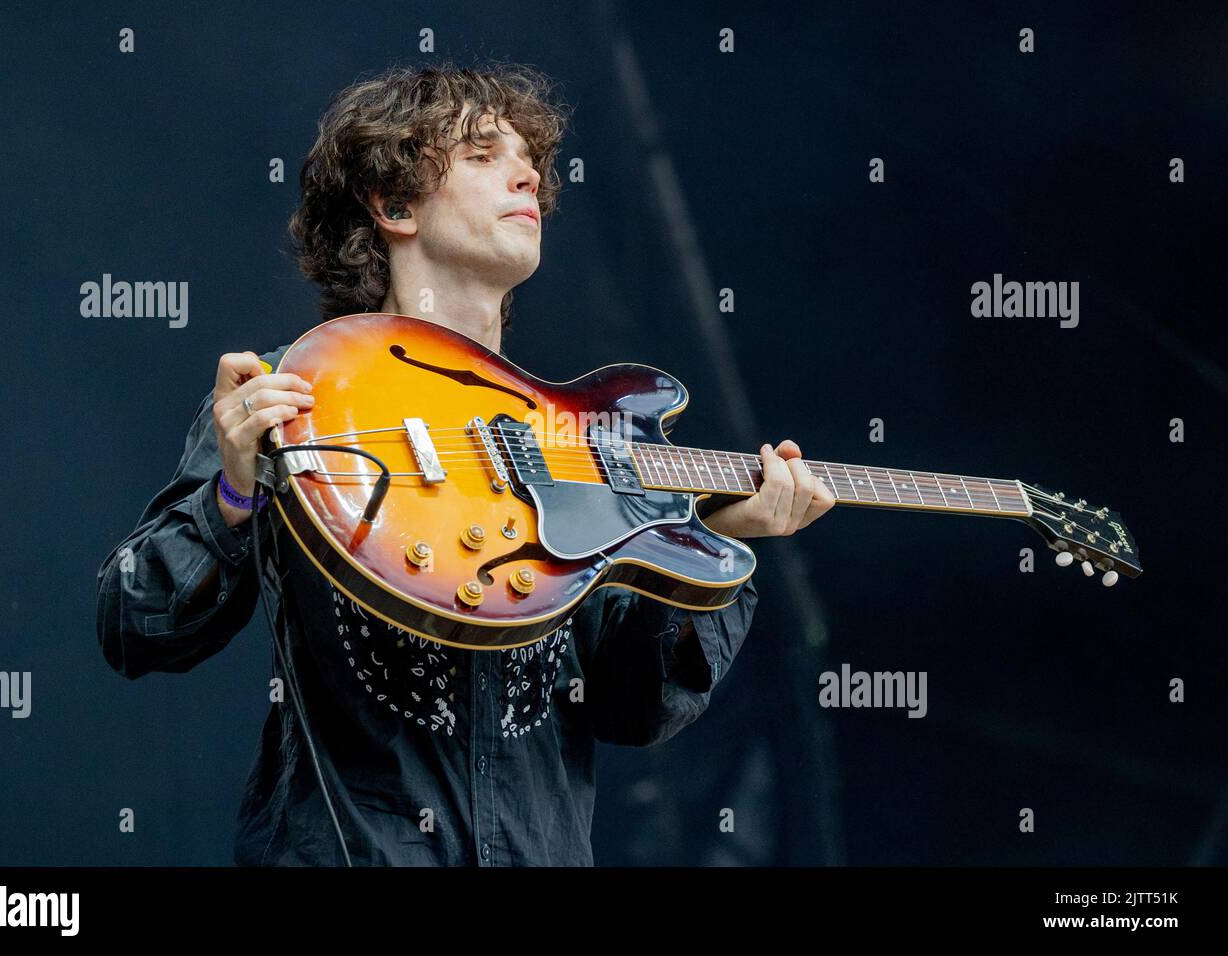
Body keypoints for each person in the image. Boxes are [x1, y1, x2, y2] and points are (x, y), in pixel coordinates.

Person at [94, 61, 834, 866]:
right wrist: (233, 492)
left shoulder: (581, 434)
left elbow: (635, 709)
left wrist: (721, 551)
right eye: (482, 155)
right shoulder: (292, 393)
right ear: (395, 204)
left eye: (532, 163)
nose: (528, 176)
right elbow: (134, 626)